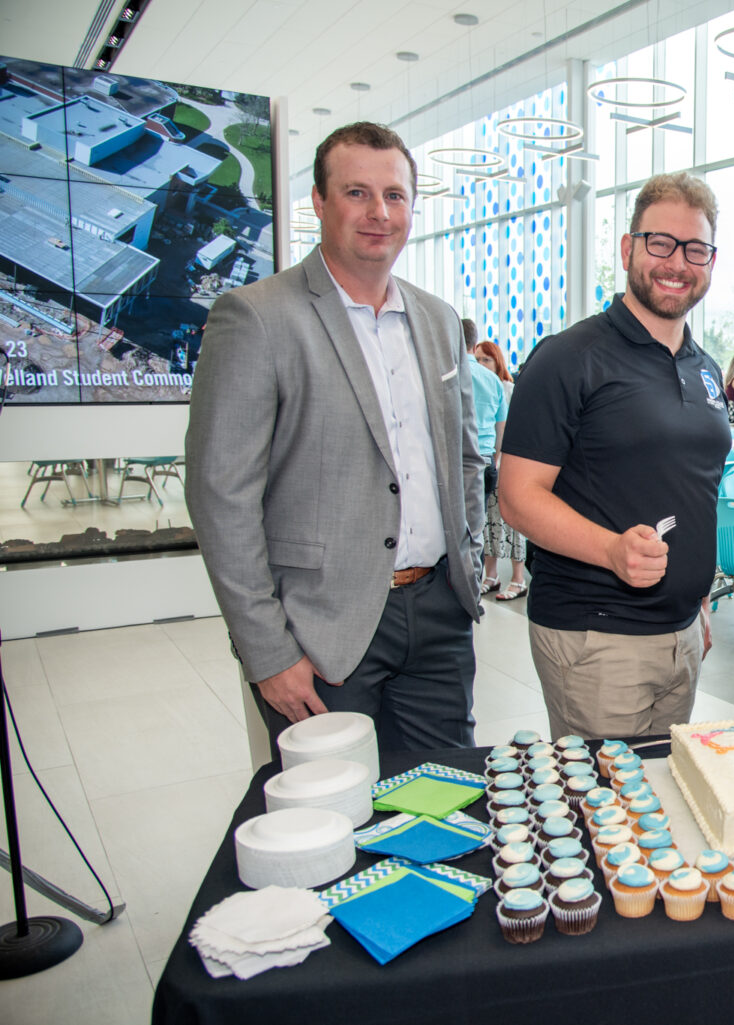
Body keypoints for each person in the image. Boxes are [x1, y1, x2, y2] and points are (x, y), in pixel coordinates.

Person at [186, 121, 483, 756]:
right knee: (335, 824)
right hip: (322, 632)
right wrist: (267, 651)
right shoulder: (257, 318)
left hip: (438, 616)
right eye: (356, 193)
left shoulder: (435, 319)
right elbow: (222, 497)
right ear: (319, 203)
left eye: (395, 195)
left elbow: (462, 456)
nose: (379, 213)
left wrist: (471, 561)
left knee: (449, 811)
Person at [499, 172, 731, 739]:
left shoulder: (703, 367)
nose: (677, 262)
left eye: (695, 249)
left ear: (710, 262)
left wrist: (695, 600)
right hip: (596, 636)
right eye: (661, 243)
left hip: (680, 633)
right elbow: (516, 497)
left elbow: (689, 487)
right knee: (604, 814)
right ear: (628, 249)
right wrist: (609, 548)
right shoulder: (569, 358)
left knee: (657, 811)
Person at [473, 339, 528, 600]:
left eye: (487, 359)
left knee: (513, 521)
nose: (482, 364)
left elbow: (507, 429)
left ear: (498, 362)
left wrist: (500, 459)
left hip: (506, 464)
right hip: (489, 462)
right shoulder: (481, 383)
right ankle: (491, 575)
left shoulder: (506, 387)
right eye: (478, 359)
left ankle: (518, 579)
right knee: (487, 523)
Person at [465, 319, 509, 595]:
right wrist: (494, 458)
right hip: (486, 459)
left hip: (460, 461)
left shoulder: (450, 373)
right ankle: (476, 588)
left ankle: (464, 588)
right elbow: (500, 425)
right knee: (476, 528)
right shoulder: (492, 380)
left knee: (457, 530)